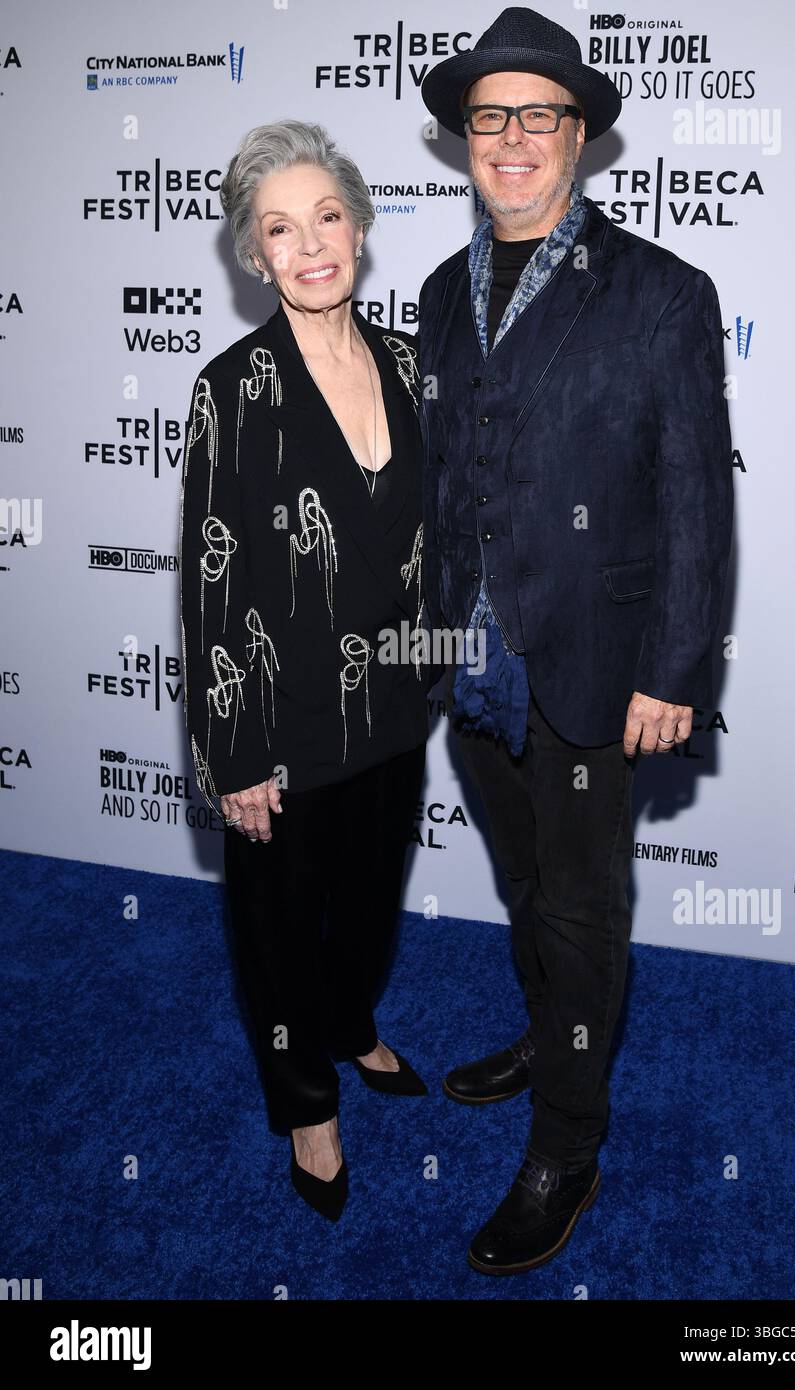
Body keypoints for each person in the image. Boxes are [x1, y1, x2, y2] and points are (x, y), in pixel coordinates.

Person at [418, 7, 734, 1274]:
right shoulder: (443, 291)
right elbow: (441, 479)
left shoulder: (662, 293)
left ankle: (570, 1140)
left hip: (599, 662)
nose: (512, 139)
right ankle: (554, 1035)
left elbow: (697, 493)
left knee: (585, 904)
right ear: (465, 138)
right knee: (525, 884)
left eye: (538, 116)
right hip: (472, 663)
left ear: (580, 136)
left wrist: (675, 667)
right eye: (491, 116)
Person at [178, 120, 431, 1224]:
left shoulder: (414, 364)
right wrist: (233, 749)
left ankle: (352, 1019)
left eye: (326, 216)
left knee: (371, 900)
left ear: (361, 228)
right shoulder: (231, 391)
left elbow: (436, 544)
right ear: (255, 257)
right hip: (279, 717)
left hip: (393, 703)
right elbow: (210, 579)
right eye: (279, 229)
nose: (310, 244)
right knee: (276, 924)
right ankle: (307, 1103)